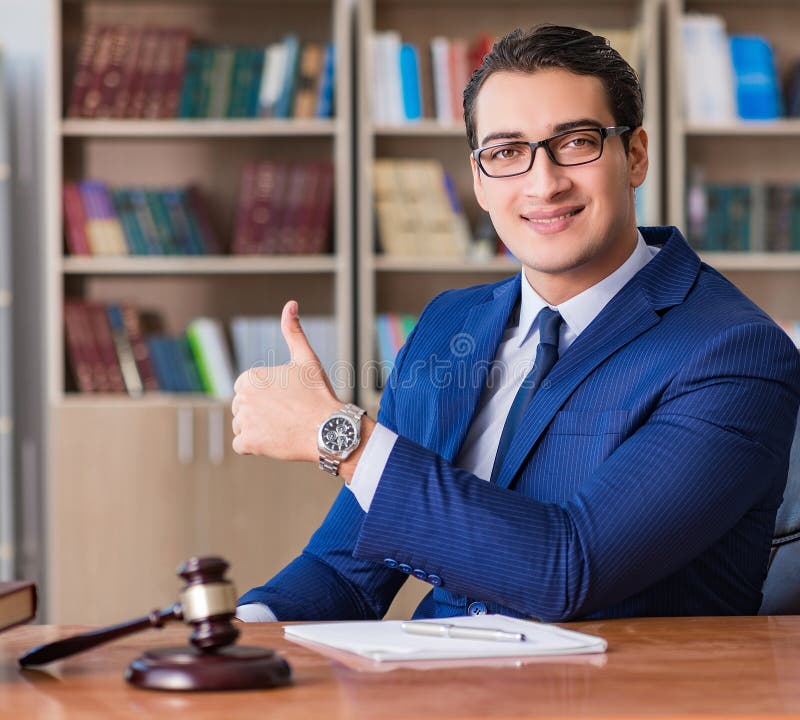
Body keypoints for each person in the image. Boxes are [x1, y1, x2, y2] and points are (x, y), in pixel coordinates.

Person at [231, 25, 800, 622]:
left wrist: (339, 436)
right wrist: (235, 634)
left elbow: (568, 568)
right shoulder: (450, 323)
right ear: (479, 180)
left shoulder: (736, 351)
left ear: (635, 156)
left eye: (576, 142)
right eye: (507, 152)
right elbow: (342, 573)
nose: (544, 183)